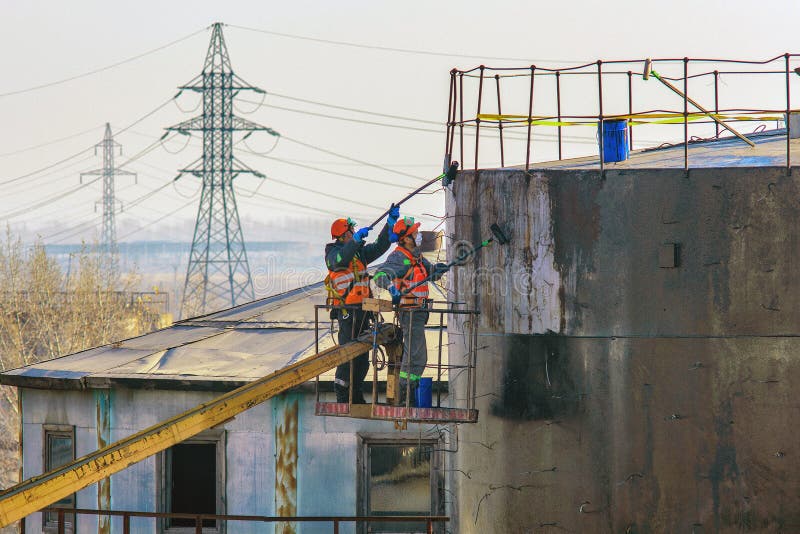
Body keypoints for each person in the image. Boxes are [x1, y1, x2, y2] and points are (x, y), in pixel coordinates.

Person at [325, 205, 399, 403]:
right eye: (351, 230)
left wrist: (388, 225)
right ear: (343, 234)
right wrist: (356, 241)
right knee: (348, 353)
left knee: (362, 357)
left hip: (364, 309)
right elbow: (340, 260)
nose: (354, 232)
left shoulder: (359, 253)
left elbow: (380, 247)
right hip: (347, 311)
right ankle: (342, 395)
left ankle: (355, 394)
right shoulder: (333, 252)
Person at [373, 217, 448, 406]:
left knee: (416, 355)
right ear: (406, 239)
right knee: (417, 356)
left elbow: (430, 273)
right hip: (410, 311)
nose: (418, 236)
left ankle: (407, 395)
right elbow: (380, 275)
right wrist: (392, 288)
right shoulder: (399, 257)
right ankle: (405, 395)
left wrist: (440, 269)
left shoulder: (417, 256)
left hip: (419, 311)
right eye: (415, 233)